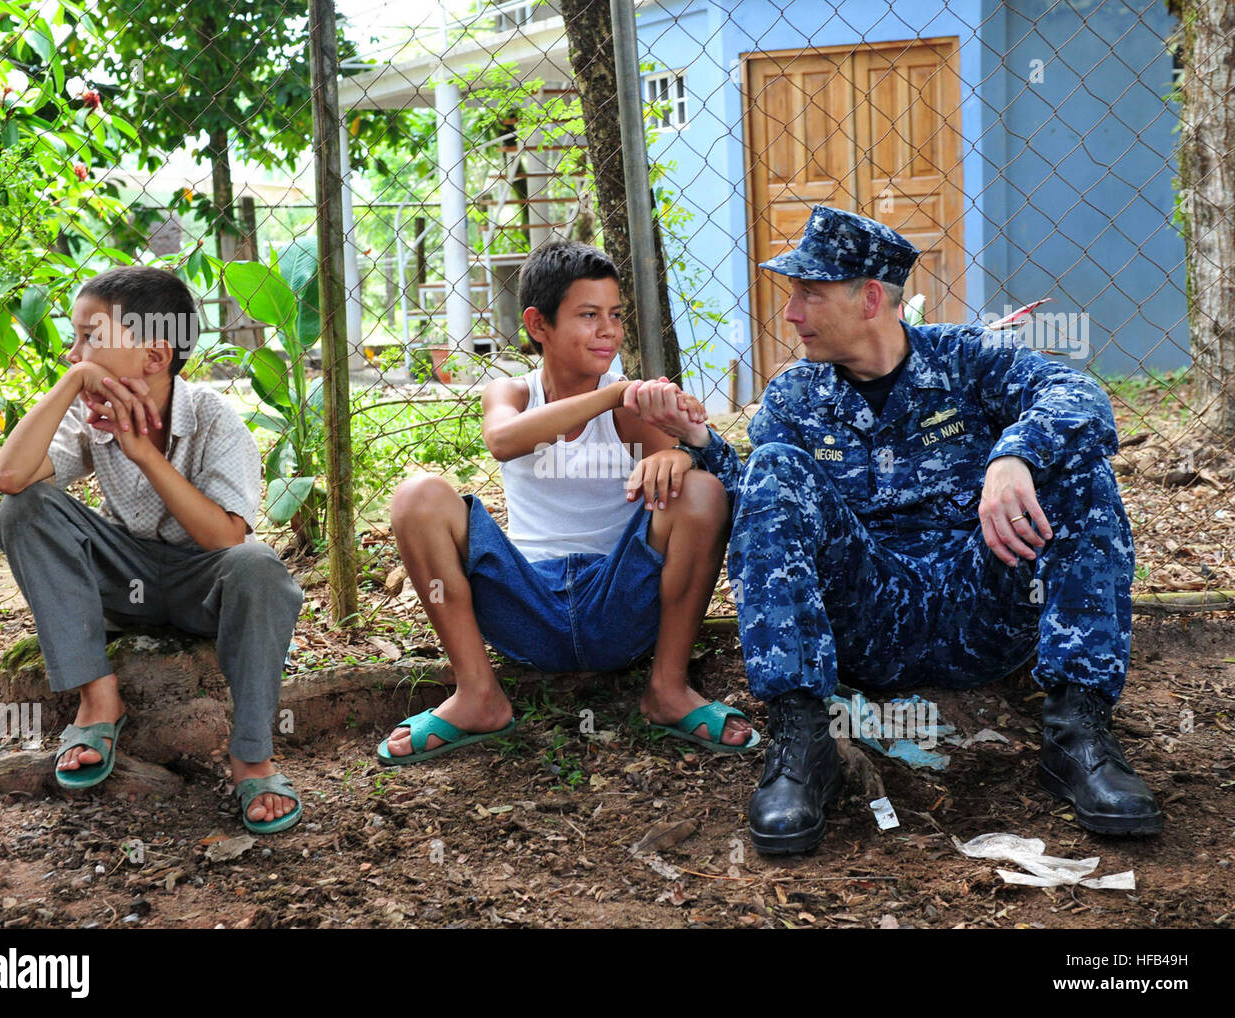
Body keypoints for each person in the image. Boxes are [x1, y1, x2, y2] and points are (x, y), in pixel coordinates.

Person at [627, 206, 1161, 854]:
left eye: (808, 294)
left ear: (871, 298)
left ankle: (1079, 735)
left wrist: (1014, 454)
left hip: (982, 599)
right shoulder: (795, 396)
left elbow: (1082, 398)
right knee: (774, 465)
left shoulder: (967, 358)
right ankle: (803, 742)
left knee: (1081, 474)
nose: (791, 313)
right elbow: (765, 518)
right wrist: (700, 444)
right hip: (869, 614)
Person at [379, 241, 759, 764]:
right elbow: (504, 441)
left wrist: (681, 457)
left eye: (616, 315)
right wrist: (613, 391)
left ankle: (668, 689)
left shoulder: (632, 411)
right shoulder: (511, 393)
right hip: (527, 603)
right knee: (417, 496)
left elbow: (691, 485)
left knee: (701, 492)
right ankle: (478, 696)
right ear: (539, 325)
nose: (608, 330)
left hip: (618, 601)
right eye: (588, 315)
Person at [0, 266, 305, 835]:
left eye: (90, 337)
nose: (73, 352)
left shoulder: (213, 419)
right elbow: (9, 478)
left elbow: (225, 538)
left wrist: (145, 455)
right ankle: (99, 700)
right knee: (24, 509)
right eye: (74, 338)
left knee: (258, 566)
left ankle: (252, 758)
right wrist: (71, 385)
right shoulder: (89, 415)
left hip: (202, 581)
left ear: (155, 356)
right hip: (123, 576)